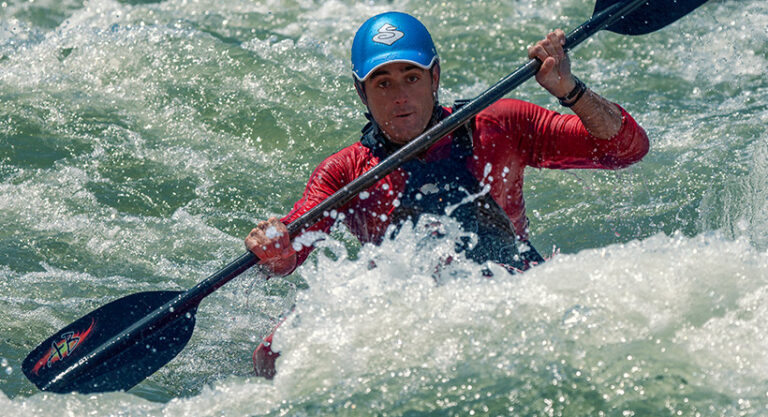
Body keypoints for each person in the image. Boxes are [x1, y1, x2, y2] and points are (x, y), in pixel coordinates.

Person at [247, 11, 649, 378]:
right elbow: (288, 255)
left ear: (434, 78)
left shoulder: (500, 124)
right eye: (383, 83)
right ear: (361, 92)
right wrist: (273, 243)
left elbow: (626, 150)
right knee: (272, 353)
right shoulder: (346, 173)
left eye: (412, 77)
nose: (400, 96)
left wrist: (570, 90)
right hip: (409, 313)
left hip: (515, 290)